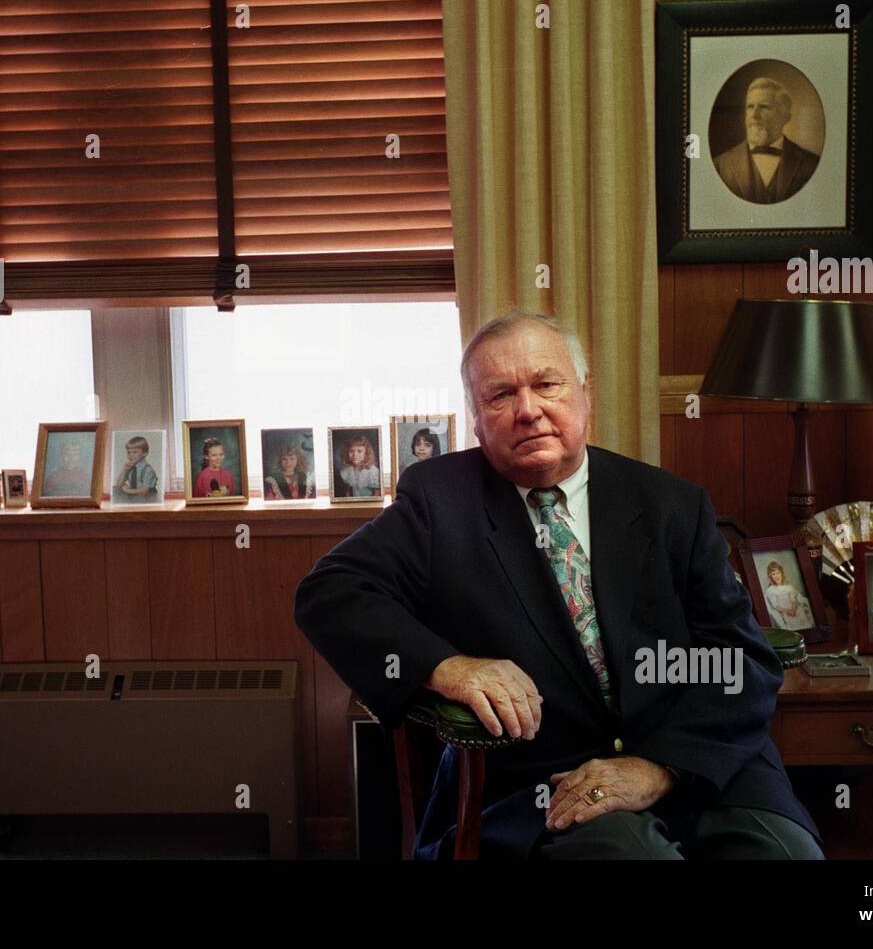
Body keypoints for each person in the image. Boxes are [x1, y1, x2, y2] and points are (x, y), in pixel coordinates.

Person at [295, 312, 822, 860]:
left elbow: (740, 657)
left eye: (547, 384)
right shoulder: (439, 501)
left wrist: (662, 767)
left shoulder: (671, 504)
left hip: (697, 760)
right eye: (500, 395)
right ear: (477, 419)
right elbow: (330, 592)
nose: (528, 411)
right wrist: (449, 666)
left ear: (585, 392)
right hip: (541, 784)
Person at [713, 77, 820, 204]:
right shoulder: (720, 165)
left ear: (785, 117)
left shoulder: (812, 164)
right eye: (750, 107)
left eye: (764, 107)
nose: (754, 115)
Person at [762, 560, 814, 631]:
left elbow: (793, 600)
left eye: (778, 573)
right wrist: (788, 611)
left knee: (800, 611)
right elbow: (776, 606)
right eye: (773, 574)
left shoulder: (788, 586)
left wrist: (794, 609)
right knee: (788, 619)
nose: (776, 576)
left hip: (793, 609)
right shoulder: (771, 590)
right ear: (770, 576)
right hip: (784, 611)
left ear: (781, 573)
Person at [114, 436, 160, 504]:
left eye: (135, 452)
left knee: (138, 498)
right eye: (129, 452)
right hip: (134, 495)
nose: (131, 455)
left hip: (145, 497)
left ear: (144, 453)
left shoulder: (147, 469)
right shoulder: (131, 467)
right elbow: (118, 484)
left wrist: (127, 490)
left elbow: (144, 491)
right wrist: (125, 470)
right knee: (114, 489)